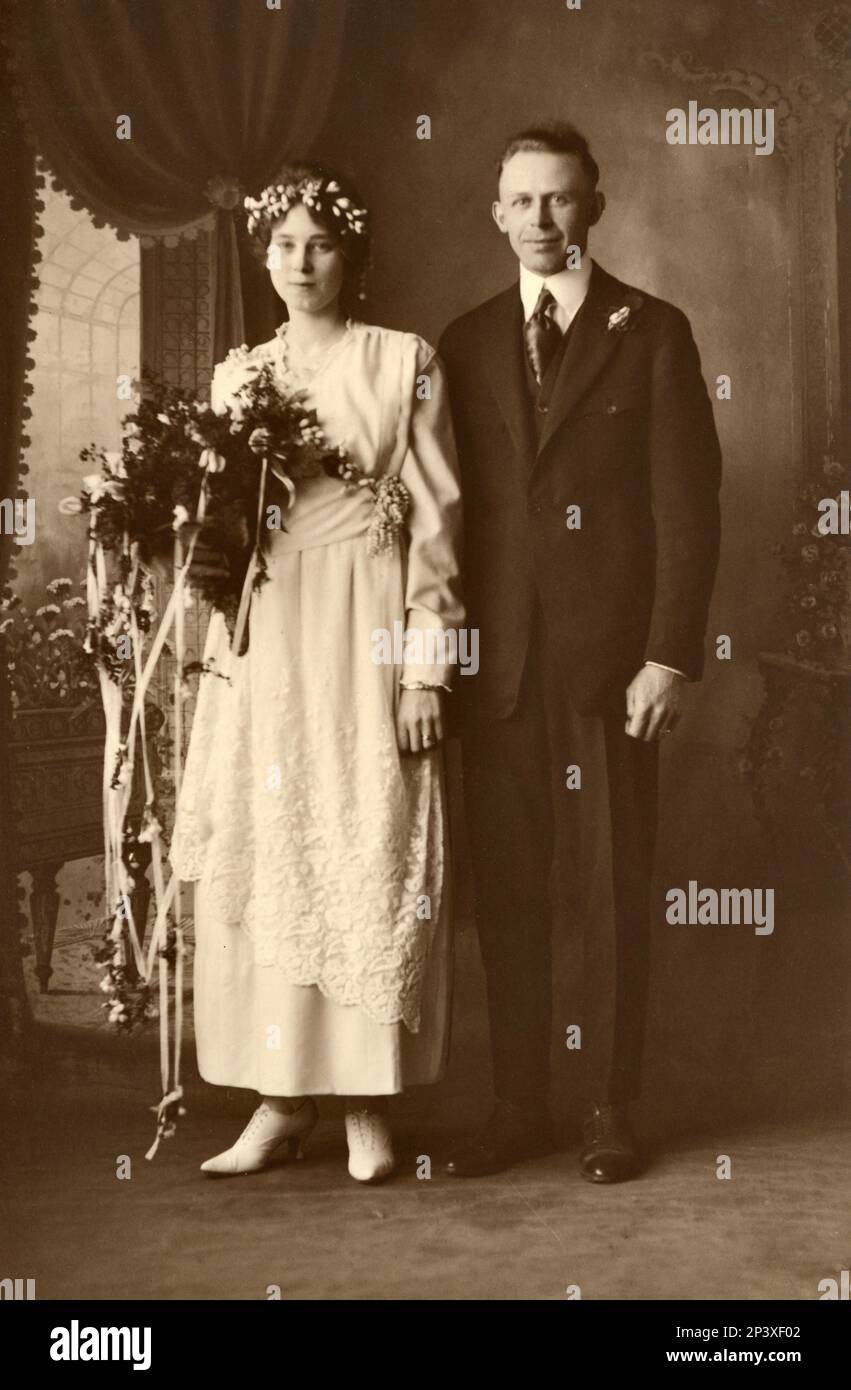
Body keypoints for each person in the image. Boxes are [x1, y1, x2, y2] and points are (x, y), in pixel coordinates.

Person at [438, 123, 722, 1182]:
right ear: (496, 211)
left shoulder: (650, 330)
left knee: (608, 884)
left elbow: (689, 505)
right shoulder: (461, 342)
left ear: (594, 205)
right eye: (523, 201)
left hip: (610, 669)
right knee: (508, 889)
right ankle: (517, 1103)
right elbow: (437, 512)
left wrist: (668, 655)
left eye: (561, 199)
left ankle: (609, 1103)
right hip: (497, 667)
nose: (542, 221)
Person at [170, 162, 463, 1183]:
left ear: (354, 257)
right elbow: (219, 533)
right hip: (267, 627)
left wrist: (424, 668)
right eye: (284, 245)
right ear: (263, 256)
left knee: (364, 836)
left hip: (367, 616)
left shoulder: (402, 361)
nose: (302, 262)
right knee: (272, 847)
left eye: (322, 243)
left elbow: (435, 523)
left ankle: (365, 1101)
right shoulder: (238, 375)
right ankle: (276, 1097)